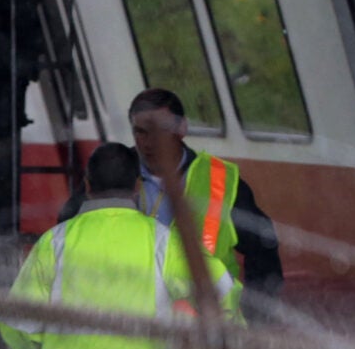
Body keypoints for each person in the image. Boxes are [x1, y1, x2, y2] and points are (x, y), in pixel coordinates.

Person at [0, 142, 239, 349]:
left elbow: (17, 325)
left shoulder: (54, 243)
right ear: (137, 187)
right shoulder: (163, 242)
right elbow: (221, 289)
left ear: (87, 186)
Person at [121, 88, 284, 301]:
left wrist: (255, 312)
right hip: (135, 315)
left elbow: (262, 245)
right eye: (141, 132)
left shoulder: (219, 180)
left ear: (182, 128)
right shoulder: (113, 171)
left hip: (209, 314)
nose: (150, 142)